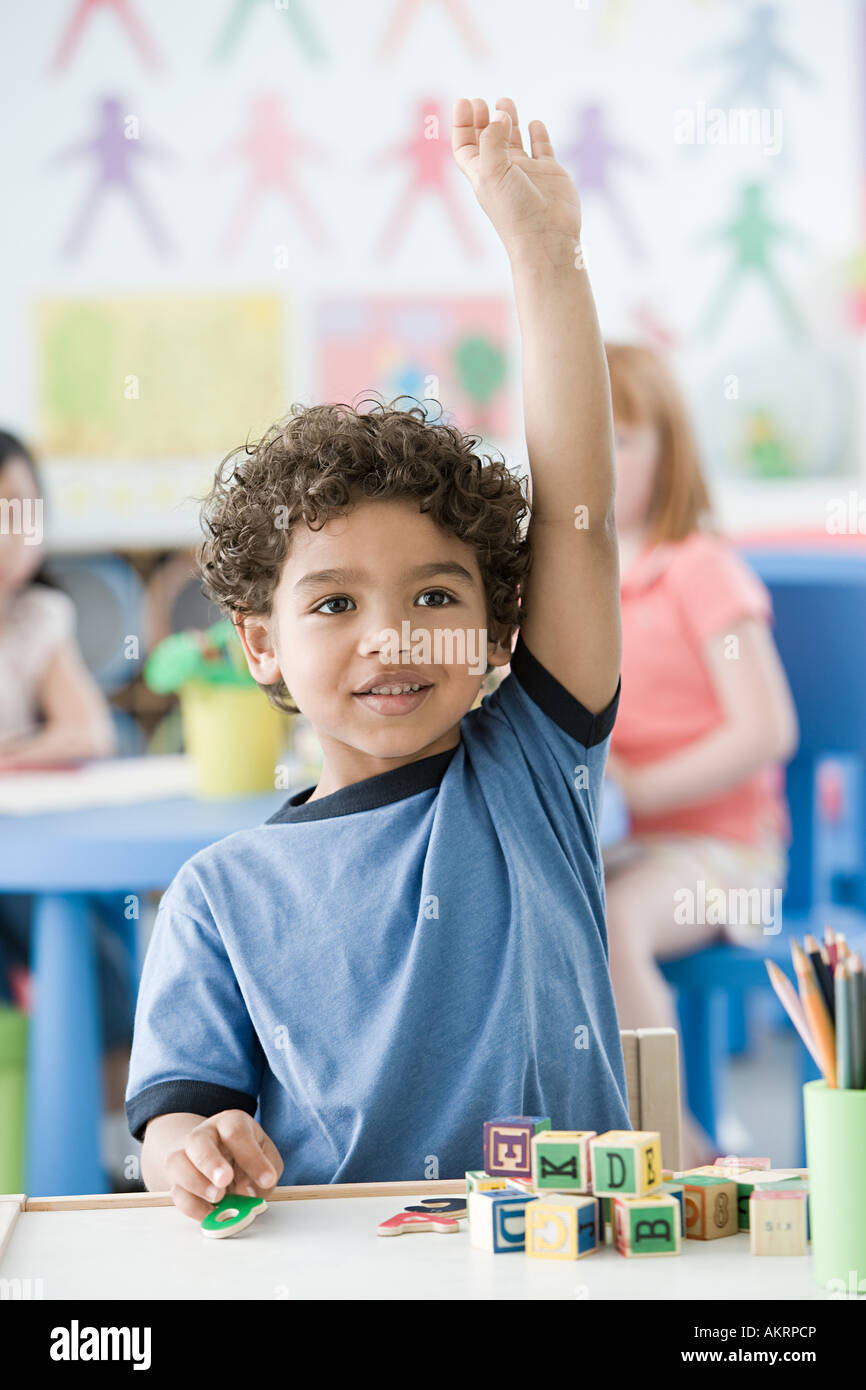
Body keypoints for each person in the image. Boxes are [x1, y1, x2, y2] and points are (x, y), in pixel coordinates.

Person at [126, 97, 630, 1216]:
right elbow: (171, 1114)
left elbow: (578, 518)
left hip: (567, 1262)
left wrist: (546, 258)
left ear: (500, 628)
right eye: (335, 601)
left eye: (434, 594)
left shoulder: (533, 771)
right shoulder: (219, 896)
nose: (390, 635)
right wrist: (193, 1148)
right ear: (259, 644)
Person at [601, 343, 799, 1168]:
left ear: (668, 449)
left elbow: (766, 729)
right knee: (532, 911)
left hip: (733, 858)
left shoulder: (698, 570)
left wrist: (640, 782)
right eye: (580, 440)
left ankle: (681, 1152)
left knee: (611, 922)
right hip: (631, 844)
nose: (598, 463)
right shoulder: (578, 582)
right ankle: (596, 1134)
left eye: (620, 440)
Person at [0, 430, 134, 1185]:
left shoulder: (35, 621)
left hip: (32, 849)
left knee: (97, 933)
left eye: (20, 511)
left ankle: (117, 1148)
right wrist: (30, 746)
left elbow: (88, 731)